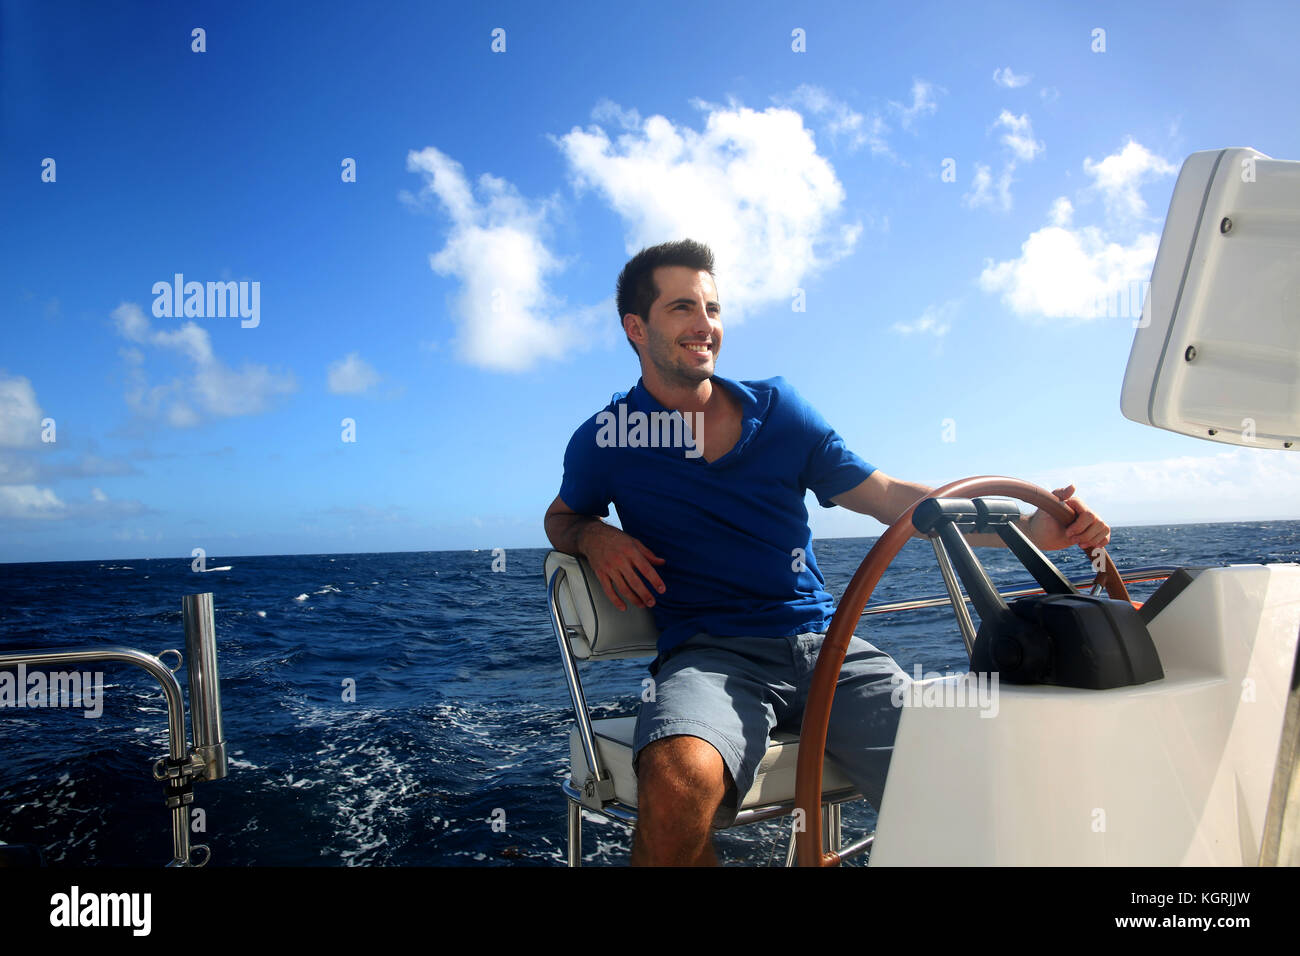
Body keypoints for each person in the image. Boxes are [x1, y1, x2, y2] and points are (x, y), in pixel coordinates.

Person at [543, 239, 1111, 866]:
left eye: (713, 307)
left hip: (830, 648)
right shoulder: (607, 439)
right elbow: (563, 517)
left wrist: (1034, 527)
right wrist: (595, 535)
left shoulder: (781, 411)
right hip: (710, 657)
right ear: (636, 327)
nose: (706, 324)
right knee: (678, 784)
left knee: (969, 780)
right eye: (682, 308)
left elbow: (889, 496)